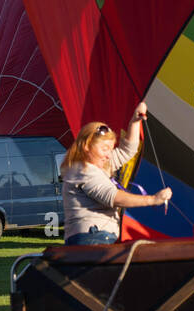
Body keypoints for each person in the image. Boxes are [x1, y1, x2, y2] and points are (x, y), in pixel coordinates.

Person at [61, 101, 171, 246]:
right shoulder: (84, 170)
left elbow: (128, 150)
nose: (108, 155)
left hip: (96, 236)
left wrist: (134, 121)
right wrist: (152, 200)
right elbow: (113, 197)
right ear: (87, 146)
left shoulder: (98, 164)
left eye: (110, 148)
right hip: (92, 237)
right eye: (104, 148)